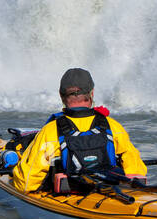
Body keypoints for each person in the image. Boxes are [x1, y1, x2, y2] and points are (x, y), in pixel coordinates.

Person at [11, 68, 147, 194]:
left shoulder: (50, 131)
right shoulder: (113, 126)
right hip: (111, 194)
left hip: (71, 197)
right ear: (92, 93)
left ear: (61, 96)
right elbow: (137, 172)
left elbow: (26, 183)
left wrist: (12, 176)